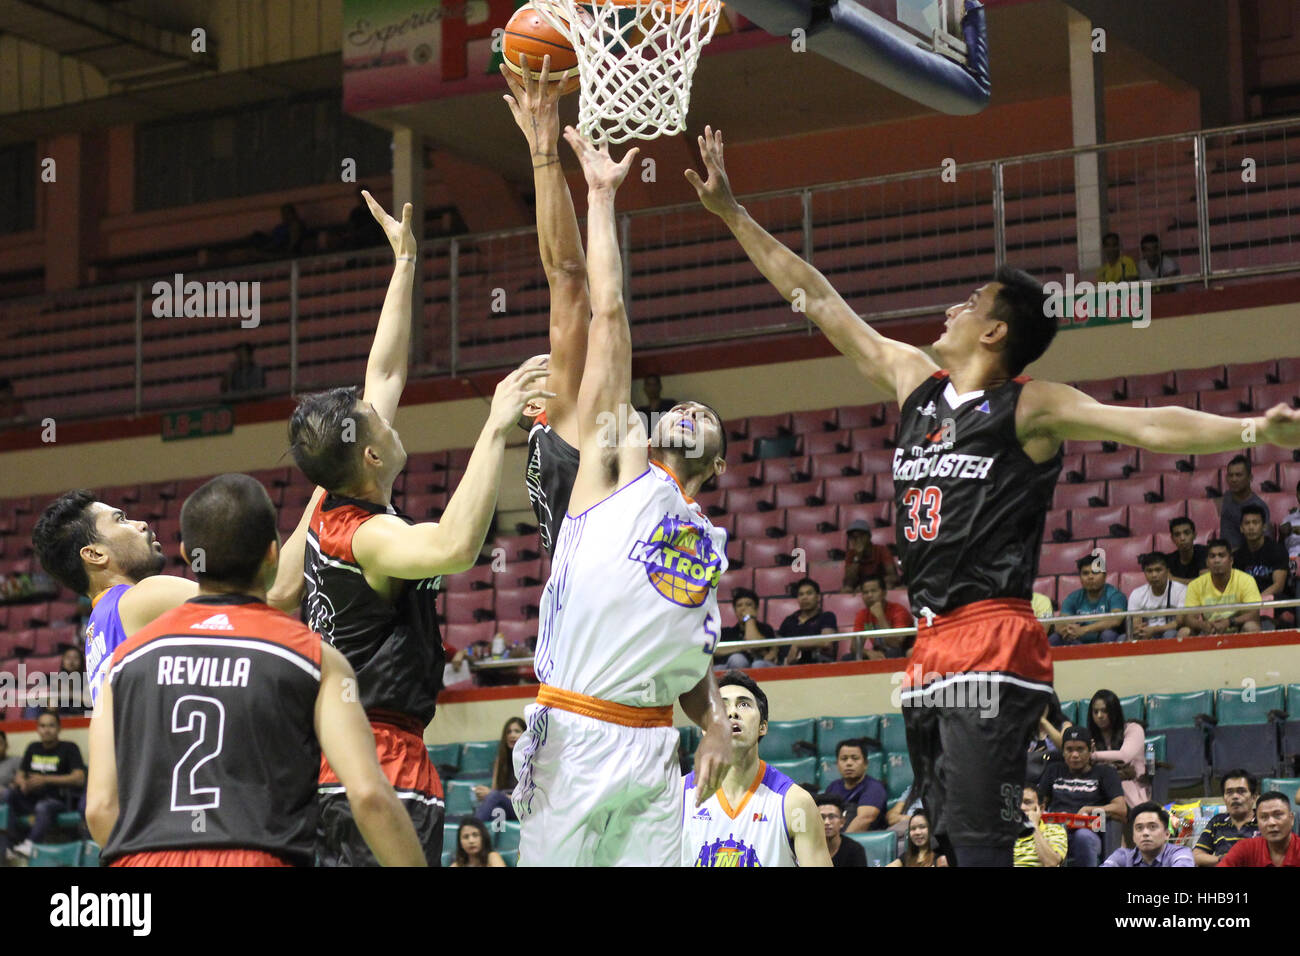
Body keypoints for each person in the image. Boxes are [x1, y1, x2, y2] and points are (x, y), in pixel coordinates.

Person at [685, 124, 1300, 867]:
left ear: (995, 330)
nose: (955, 305)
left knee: (982, 847)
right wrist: (732, 214)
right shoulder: (916, 383)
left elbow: (1145, 423)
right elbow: (815, 298)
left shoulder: (1028, 407)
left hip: (994, 640)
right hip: (930, 644)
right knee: (951, 842)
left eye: (971, 300)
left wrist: (1251, 429)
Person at [286, 191, 550, 867]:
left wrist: (405, 261)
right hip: (380, 758)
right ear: (371, 455)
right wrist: (495, 428)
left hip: (333, 755)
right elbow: (455, 547)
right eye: (383, 426)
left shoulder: (328, 504)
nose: (390, 418)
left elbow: (385, 371)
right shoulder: (366, 537)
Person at [509, 127, 733, 867]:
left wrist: (716, 724)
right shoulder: (616, 462)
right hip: (574, 731)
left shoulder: (708, 541)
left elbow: (687, 644)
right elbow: (607, 314)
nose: (695, 411)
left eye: (711, 416)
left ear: (720, 465)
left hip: (653, 742)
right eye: (687, 409)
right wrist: (601, 198)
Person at [84, 474, 426, 867]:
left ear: (187, 553)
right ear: (272, 553)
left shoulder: (122, 663)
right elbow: (368, 795)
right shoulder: (313, 656)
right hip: (257, 855)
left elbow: (100, 810)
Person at [502, 58, 586, 557]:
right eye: (547, 365)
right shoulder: (558, 420)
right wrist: (542, 152)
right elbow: (567, 277)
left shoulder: (547, 445)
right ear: (536, 407)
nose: (558, 357)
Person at [682, 671, 831, 866]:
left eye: (744, 704)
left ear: (763, 726)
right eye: (721, 705)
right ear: (704, 728)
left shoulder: (795, 804)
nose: (732, 712)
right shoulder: (675, 797)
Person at [1038, 726, 1126, 867]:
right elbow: (1038, 804)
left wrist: (1089, 809)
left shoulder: (1104, 773)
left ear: (1090, 749)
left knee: (1082, 837)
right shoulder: (1053, 771)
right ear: (1063, 751)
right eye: (1069, 750)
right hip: (1055, 832)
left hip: (1088, 833)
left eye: (1080, 749)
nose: (1074, 755)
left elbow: (1121, 809)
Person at [5, 710, 86, 859]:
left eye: (51, 726)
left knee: (43, 807)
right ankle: (11, 845)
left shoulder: (69, 748)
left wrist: (46, 779)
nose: (46, 730)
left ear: (59, 728)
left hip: (58, 800)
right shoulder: (33, 747)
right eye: (42, 726)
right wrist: (22, 782)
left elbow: (79, 778)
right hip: (31, 798)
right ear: (37, 728)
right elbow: (20, 774)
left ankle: (30, 844)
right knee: (8, 795)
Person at [1179, 539, 1262, 636]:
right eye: (1212, 556)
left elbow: (1254, 614)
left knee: (1251, 627)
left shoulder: (1246, 580)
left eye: (1221, 555)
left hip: (1238, 628)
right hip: (1209, 631)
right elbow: (1188, 618)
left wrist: (1229, 622)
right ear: (1207, 562)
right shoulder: (1195, 585)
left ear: (1231, 560)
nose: (1217, 560)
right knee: (1184, 632)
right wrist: (1203, 625)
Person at [1086, 690, 1149, 807]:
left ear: (1114, 711)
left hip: (1134, 785)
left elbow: (1124, 756)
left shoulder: (1133, 728)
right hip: (1103, 790)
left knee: (1123, 785)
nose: (1099, 715)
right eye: (1095, 711)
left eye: (1104, 711)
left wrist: (1092, 756)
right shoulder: (1090, 737)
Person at [1233, 503, 1289, 629]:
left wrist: (1256, 601)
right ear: (1241, 528)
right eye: (1247, 523)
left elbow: (1278, 586)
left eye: (1255, 522)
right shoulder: (1237, 556)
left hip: (1272, 599)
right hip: (1248, 602)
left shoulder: (1277, 550)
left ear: (1264, 526)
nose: (1251, 527)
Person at [1051, 556, 1127, 645]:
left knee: (1108, 635)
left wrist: (1084, 630)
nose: (1090, 577)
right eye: (1085, 573)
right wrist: (1066, 630)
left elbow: (1115, 620)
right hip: (1078, 642)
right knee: (1055, 638)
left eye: (1095, 572)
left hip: (1104, 640)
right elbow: (1061, 623)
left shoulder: (1115, 595)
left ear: (1105, 575)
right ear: (1080, 577)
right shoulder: (1073, 597)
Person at [1193, 770, 1259, 866]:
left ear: (1254, 797)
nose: (1235, 796)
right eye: (1229, 792)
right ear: (1224, 798)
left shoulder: (1264, 820)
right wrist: (1225, 860)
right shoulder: (1217, 822)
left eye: (1241, 791)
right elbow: (1196, 856)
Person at [1216, 791, 1300, 867]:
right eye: (1264, 817)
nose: (1271, 823)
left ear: (1291, 819)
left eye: (1278, 815)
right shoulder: (1245, 848)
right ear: (1258, 822)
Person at [824, 739, 888, 832]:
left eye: (855, 758)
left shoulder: (874, 787)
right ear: (837, 764)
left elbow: (865, 819)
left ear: (865, 763)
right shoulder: (833, 787)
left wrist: (841, 844)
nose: (849, 763)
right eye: (844, 759)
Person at [1101, 802, 1194, 867]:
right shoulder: (1122, 856)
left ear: (1167, 833)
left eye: (1152, 827)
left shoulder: (1180, 853)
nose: (1145, 833)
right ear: (1133, 836)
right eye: (1139, 828)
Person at [473, 717, 525, 825]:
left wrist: (493, 794)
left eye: (517, 731)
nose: (512, 735)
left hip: (522, 806)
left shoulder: (530, 760)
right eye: (509, 732)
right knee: (495, 811)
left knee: (494, 797)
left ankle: (473, 827)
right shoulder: (500, 761)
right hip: (504, 804)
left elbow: (528, 796)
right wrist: (484, 795)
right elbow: (495, 789)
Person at [777, 577, 839, 664]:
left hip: (814, 665)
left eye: (809, 593)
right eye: (801, 594)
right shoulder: (789, 620)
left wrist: (798, 645)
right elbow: (777, 643)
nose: (804, 598)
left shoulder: (826, 616)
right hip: (785, 666)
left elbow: (826, 642)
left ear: (818, 597)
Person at [1127, 551, 1186, 640]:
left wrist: (1154, 630)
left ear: (1167, 571)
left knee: (1169, 634)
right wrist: (1140, 630)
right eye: (1149, 571)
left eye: (1158, 570)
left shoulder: (1181, 590)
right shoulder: (1137, 594)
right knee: (1124, 638)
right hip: (1147, 633)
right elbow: (1136, 623)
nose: (1154, 575)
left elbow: (1179, 622)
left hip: (1170, 632)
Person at [851, 575, 913, 660]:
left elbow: (895, 643)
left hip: (903, 652)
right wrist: (868, 653)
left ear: (884, 593)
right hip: (880, 652)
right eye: (865, 592)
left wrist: (880, 616)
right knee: (848, 658)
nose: (869, 595)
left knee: (893, 653)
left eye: (874, 591)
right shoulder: (862, 615)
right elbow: (854, 647)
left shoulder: (899, 611)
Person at [717, 588, 778, 669]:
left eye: (748, 605)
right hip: (731, 671)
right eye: (739, 605)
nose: (744, 608)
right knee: (737, 660)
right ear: (735, 611)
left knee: (758, 664)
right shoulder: (727, 632)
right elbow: (715, 652)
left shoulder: (766, 629)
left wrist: (749, 618)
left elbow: (754, 644)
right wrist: (742, 648)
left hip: (759, 667)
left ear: (756, 609)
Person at [1220, 455, 1271, 551]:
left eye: (1238, 475)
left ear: (1250, 478)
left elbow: (1264, 545)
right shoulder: (1227, 497)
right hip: (1227, 555)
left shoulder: (1259, 506)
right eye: (1230, 475)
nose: (1234, 479)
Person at [1025, 694, 1072, 791]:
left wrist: (1043, 721)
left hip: (1055, 781)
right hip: (1028, 782)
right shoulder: (1026, 727)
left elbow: (1064, 746)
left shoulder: (1064, 724)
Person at [1012, 785, 1066, 867]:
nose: (1021, 807)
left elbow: (1051, 863)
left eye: (1027, 802)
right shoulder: (1003, 832)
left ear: (1041, 809)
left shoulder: (1055, 831)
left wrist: (1034, 826)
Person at [842, 519, 898, 591]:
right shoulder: (851, 554)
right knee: (846, 590)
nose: (858, 540)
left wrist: (868, 586)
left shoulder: (882, 550)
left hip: (880, 585)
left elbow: (893, 576)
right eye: (853, 537)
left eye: (861, 536)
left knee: (889, 585)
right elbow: (849, 581)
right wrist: (857, 557)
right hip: (860, 587)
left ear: (869, 536)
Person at [816, 794, 866, 867]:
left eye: (832, 816)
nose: (827, 822)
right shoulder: (807, 848)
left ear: (842, 821)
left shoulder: (855, 849)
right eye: (822, 817)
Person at [1164, 516, 1208, 584]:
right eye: (1177, 535)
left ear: (1194, 535)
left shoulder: (1205, 552)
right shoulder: (1169, 559)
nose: (1182, 538)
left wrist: (1173, 579)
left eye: (1187, 533)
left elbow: (1204, 583)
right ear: (1172, 539)